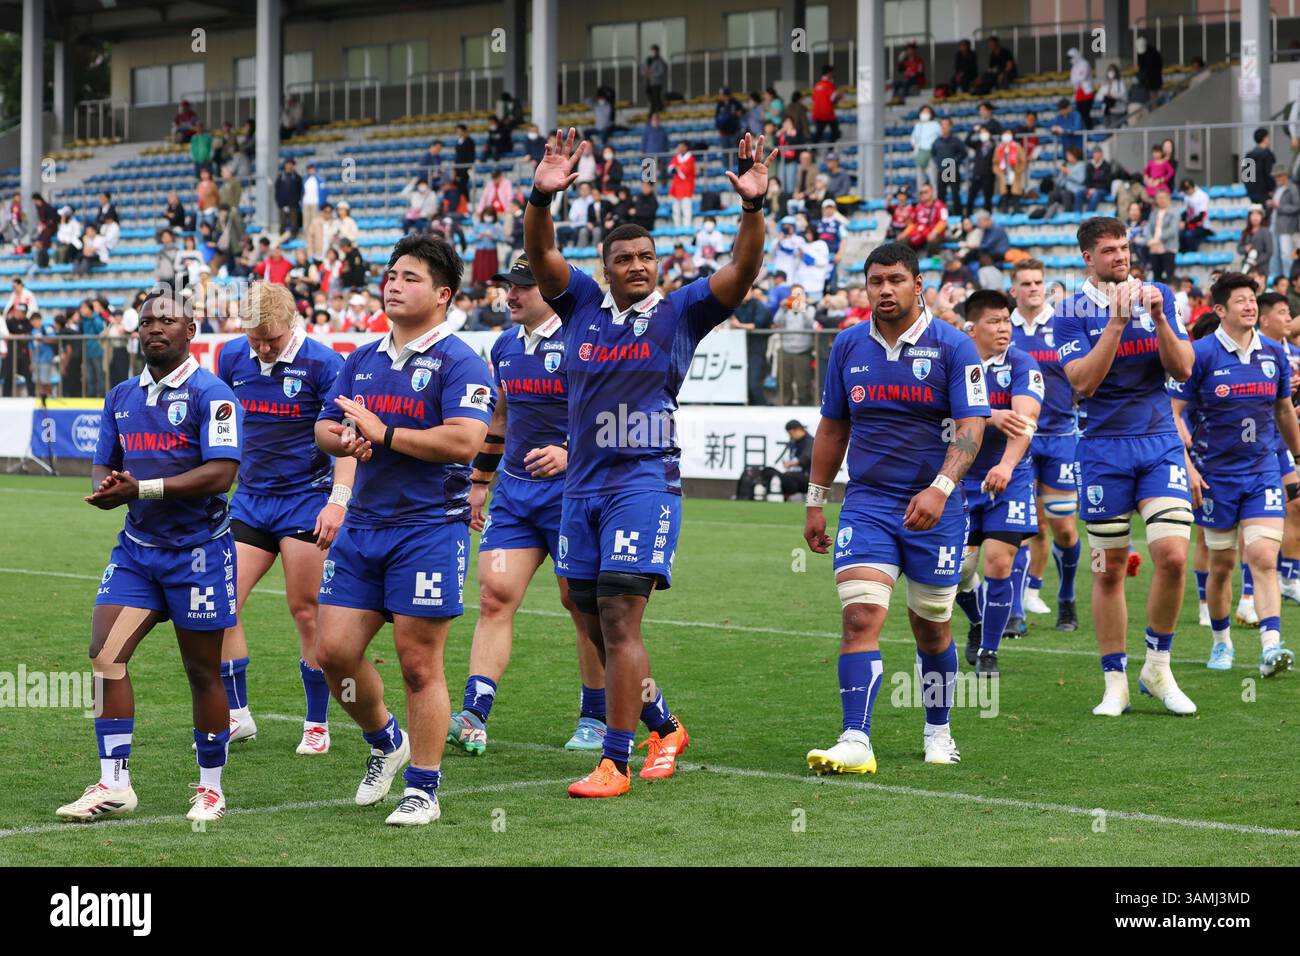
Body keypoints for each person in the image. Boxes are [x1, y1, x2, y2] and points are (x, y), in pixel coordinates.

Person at [523, 127, 773, 797]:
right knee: (585, 607)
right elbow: (539, 250)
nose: (638, 266)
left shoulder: (683, 311)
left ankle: (615, 760)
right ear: (606, 266)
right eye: (626, 258)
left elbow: (741, 273)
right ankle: (662, 722)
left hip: (644, 478)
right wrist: (541, 194)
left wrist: (752, 209)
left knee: (617, 614)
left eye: (647, 257)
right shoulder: (576, 302)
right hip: (581, 486)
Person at [313, 233, 495, 826]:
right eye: (391, 275)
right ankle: (385, 740)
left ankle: (424, 786)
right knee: (332, 654)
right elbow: (325, 428)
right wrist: (346, 437)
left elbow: (465, 440)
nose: (393, 283)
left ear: (443, 295)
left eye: (410, 277)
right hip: (363, 528)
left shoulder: (462, 361)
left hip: (428, 531)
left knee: (419, 665)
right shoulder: (362, 358)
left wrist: (384, 432)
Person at [803, 241, 990, 775]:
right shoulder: (845, 346)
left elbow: (972, 426)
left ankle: (938, 730)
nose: (885, 290)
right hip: (867, 504)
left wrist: (940, 488)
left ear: (918, 285)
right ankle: (856, 737)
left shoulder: (954, 346)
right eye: (875, 281)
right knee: (860, 615)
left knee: (931, 626)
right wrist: (816, 501)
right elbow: (833, 426)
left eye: (895, 280)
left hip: (938, 508)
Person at [57, 289, 242, 824]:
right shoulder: (120, 396)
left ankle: (210, 788)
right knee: (104, 655)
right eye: (145, 322)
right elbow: (103, 465)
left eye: (167, 320)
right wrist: (110, 486)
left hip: (199, 555)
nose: (154, 328)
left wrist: (144, 489)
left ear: (190, 330)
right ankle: (114, 784)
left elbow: (222, 474)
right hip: (138, 553)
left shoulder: (214, 394)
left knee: (202, 672)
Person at [445, 255, 608, 755]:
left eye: (523, 287)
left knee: (580, 606)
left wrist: (570, 451)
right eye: (508, 287)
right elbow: (499, 418)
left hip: (573, 495)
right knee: (494, 596)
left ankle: (597, 719)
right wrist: (479, 482)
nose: (511, 296)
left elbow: (619, 417)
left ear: (552, 290)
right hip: (515, 496)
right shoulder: (504, 345)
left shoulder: (587, 340)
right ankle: (474, 713)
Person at [1055, 216, 1196, 717]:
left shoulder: (1159, 295)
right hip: (1102, 449)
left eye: (1124, 247)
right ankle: (1114, 680)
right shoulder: (1069, 311)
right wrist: (1116, 322)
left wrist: (1158, 319)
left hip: (1158, 441)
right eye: (1109, 250)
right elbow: (1083, 383)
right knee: (1110, 569)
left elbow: (1183, 369)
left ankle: (1157, 665)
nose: (1121, 256)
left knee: (1174, 556)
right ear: (1087, 258)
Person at [214, 281, 351, 755]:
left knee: (305, 610)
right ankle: (237, 714)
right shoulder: (231, 358)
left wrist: (339, 499)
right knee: (220, 602)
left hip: (303, 501)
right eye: (255, 338)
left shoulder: (325, 365)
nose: (264, 347)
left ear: (291, 323)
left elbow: (342, 438)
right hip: (250, 500)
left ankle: (317, 722)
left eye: (271, 338)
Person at [1168, 272, 1298, 678]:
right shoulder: (1200, 353)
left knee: (1261, 556)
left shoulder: (1274, 353)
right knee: (1221, 565)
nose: (1250, 306)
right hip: (1214, 478)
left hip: (1262, 471)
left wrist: (1297, 455)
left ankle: (1270, 646)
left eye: (1253, 299)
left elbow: (1282, 411)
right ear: (1220, 309)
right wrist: (1187, 464)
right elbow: (1172, 413)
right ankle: (1221, 641)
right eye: (1240, 300)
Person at [951, 290, 1043, 676]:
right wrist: (989, 416)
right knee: (958, 572)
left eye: (1007, 320)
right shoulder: (955, 360)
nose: (1004, 327)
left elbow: (1024, 421)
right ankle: (976, 621)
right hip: (960, 478)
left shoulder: (1023, 363)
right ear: (972, 327)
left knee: (998, 563)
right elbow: (945, 412)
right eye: (994, 321)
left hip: (1009, 477)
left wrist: (1006, 465)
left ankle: (989, 651)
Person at [1007, 259, 1082, 631]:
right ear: (1013, 290)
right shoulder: (1003, 329)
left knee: (1064, 528)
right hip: (1018, 440)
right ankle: (1015, 610)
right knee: (1022, 526)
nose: (1034, 288)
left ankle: (1066, 597)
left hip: (1061, 439)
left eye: (1038, 282)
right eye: (1026, 282)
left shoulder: (1065, 324)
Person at [1256, 292, 1300, 607]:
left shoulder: (1294, 353)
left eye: (1289, 312)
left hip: (1286, 439)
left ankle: (1289, 577)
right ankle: (1251, 585)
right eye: (1283, 313)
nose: (1288, 318)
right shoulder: (1256, 351)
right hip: (1259, 441)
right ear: (1264, 318)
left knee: (1296, 506)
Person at [773, 284, 817, 405]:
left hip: (803, 350)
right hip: (786, 348)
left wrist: (801, 307)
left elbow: (811, 323)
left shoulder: (810, 309)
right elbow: (777, 321)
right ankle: (784, 403)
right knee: (784, 381)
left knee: (803, 382)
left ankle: (804, 403)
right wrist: (782, 308)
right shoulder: (786, 308)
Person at [897, 181, 947, 255]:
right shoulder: (918, 207)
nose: (923, 194)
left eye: (925, 192)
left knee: (933, 241)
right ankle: (909, 262)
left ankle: (931, 262)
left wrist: (934, 232)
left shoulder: (940, 205)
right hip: (920, 232)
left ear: (931, 192)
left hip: (935, 233)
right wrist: (904, 233)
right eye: (921, 193)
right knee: (902, 240)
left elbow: (943, 222)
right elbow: (913, 224)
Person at [1143, 188, 1180, 284]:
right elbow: (1149, 228)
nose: (1161, 200)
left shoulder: (1174, 212)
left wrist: (1158, 239)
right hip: (1154, 247)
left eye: (1163, 197)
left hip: (1168, 247)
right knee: (1156, 275)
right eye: (1159, 198)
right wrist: (1150, 240)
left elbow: (1173, 230)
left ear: (1168, 198)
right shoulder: (1153, 212)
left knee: (1169, 275)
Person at [932, 117, 967, 211]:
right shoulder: (937, 141)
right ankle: (941, 215)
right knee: (941, 194)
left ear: (950, 126)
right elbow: (933, 153)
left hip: (952, 170)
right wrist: (939, 163)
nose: (944, 127)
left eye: (946, 125)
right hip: (942, 170)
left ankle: (958, 215)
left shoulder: (956, 140)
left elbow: (963, 153)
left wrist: (954, 161)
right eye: (942, 125)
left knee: (955, 194)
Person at [910, 106, 940, 188]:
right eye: (923, 112)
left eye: (927, 112)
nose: (925, 114)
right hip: (919, 154)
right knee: (920, 180)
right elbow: (913, 138)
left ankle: (934, 199)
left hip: (931, 154)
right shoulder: (918, 125)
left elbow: (940, 137)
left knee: (933, 179)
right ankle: (921, 199)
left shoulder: (935, 124)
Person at [1246, 128, 1276, 207]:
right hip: (1265, 195)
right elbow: (1269, 174)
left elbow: (1246, 177)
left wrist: (1251, 191)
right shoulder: (1268, 155)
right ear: (1265, 138)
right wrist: (1271, 189)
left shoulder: (1248, 156)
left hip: (1252, 195)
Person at [1239, 206, 1274, 274]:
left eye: (1258, 215)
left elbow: (1269, 252)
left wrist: (1256, 261)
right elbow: (1239, 248)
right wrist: (1245, 249)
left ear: (1262, 217)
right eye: (1253, 215)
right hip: (1247, 266)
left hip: (1261, 267)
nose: (1255, 217)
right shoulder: (1245, 232)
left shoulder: (1266, 232)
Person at [1180, 179, 1212, 252]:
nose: (1185, 192)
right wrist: (1182, 221)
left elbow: (1201, 216)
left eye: (1186, 190)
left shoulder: (1202, 196)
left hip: (1202, 226)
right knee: (1180, 234)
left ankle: (1193, 253)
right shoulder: (1186, 196)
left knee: (1189, 235)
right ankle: (1183, 254)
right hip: (1190, 224)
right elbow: (1185, 211)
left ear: (1191, 188)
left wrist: (1185, 224)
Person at [275, 158, 305, 238]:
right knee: (282, 224)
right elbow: (277, 190)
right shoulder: (281, 177)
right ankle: (282, 240)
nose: (289, 166)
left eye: (291, 164)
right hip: (282, 205)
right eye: (287, 164)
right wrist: (280, 203)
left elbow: (300, 191)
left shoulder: (297, 178)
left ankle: (294, 239)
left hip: (294, 205)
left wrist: (296, 201)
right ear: (285, 165)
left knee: (294, 224)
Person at [1067, 49, 1095, 130]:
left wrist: (1077, 79)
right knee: (1080, 114)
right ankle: (1082, 129)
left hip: (1087, 92)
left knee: (1086, 113)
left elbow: (1082, 77)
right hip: (1079, 93)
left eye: (1071, 57)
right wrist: (1077, 79)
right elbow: (1072, 80)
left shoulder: (1084, 63)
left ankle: (1090, 130)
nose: (1070, 60)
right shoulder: (1074, 67)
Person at [811, 66, 841, 143]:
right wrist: (839, 96)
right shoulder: (829, 85)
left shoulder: (817, 85)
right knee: (836, 132)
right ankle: (830, 150)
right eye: (831, 73)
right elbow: (833, 99)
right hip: (828, 114)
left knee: (818, 134)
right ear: (828, 73)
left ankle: (812, 151)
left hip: (818, 114)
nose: (832, 75)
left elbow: (813, 99)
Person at [644, 45, 668, 114]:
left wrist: (651, 74)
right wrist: (645, 73)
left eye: (653, 51)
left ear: (657, 51)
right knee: (650, 97)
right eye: (651, 51)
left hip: (656, 82)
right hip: (648, 82)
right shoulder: (648, 59)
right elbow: (643, 68)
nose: (652, 52)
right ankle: (658, 108)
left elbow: (661, 71)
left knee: (655, 97)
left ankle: (653, 112)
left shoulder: (659, 60)